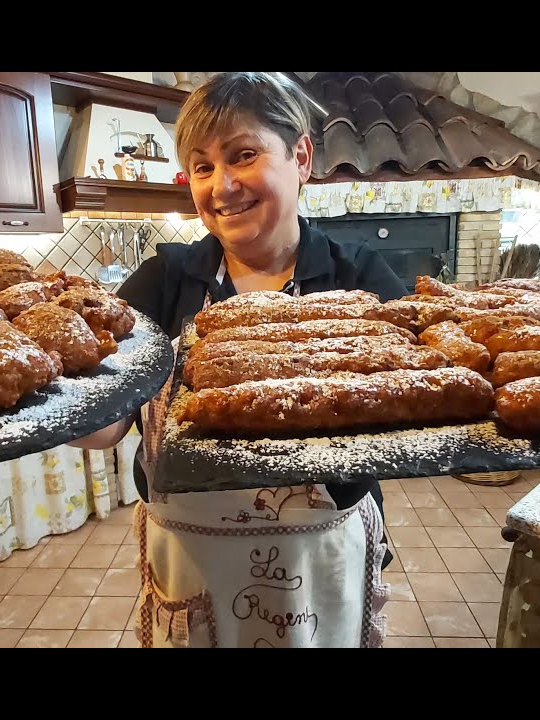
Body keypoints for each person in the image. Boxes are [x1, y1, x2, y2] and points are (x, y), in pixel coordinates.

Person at [71, 72, 406, 648]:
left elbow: (409, 411)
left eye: (243, 155)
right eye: (202, 167)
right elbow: (106, 428)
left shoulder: (360, 281)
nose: (222, 186)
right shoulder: (165, 281)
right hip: (193, 555)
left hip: (317, 552)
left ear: (300, 156)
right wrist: (53, 394)